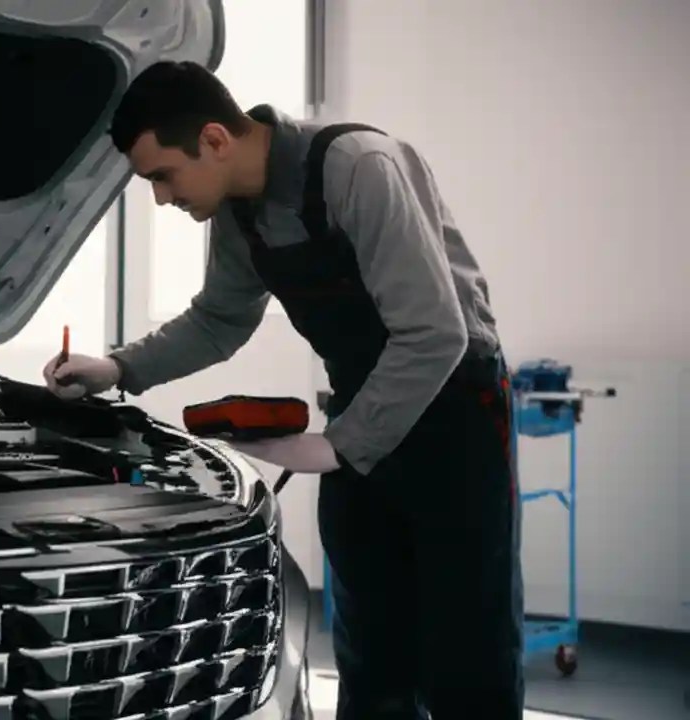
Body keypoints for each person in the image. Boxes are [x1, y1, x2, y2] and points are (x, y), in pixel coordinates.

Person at [42, 61, 524, 719]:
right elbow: (219, 320)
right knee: (370, 646)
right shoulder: (237, 212)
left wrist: (339, 447)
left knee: (468, 646)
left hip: (458, 413)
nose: (160, 197)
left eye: (161, 176)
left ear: (214, 140)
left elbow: (435, 334)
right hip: (361, 406)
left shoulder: (359, 167)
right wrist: (120, 369)